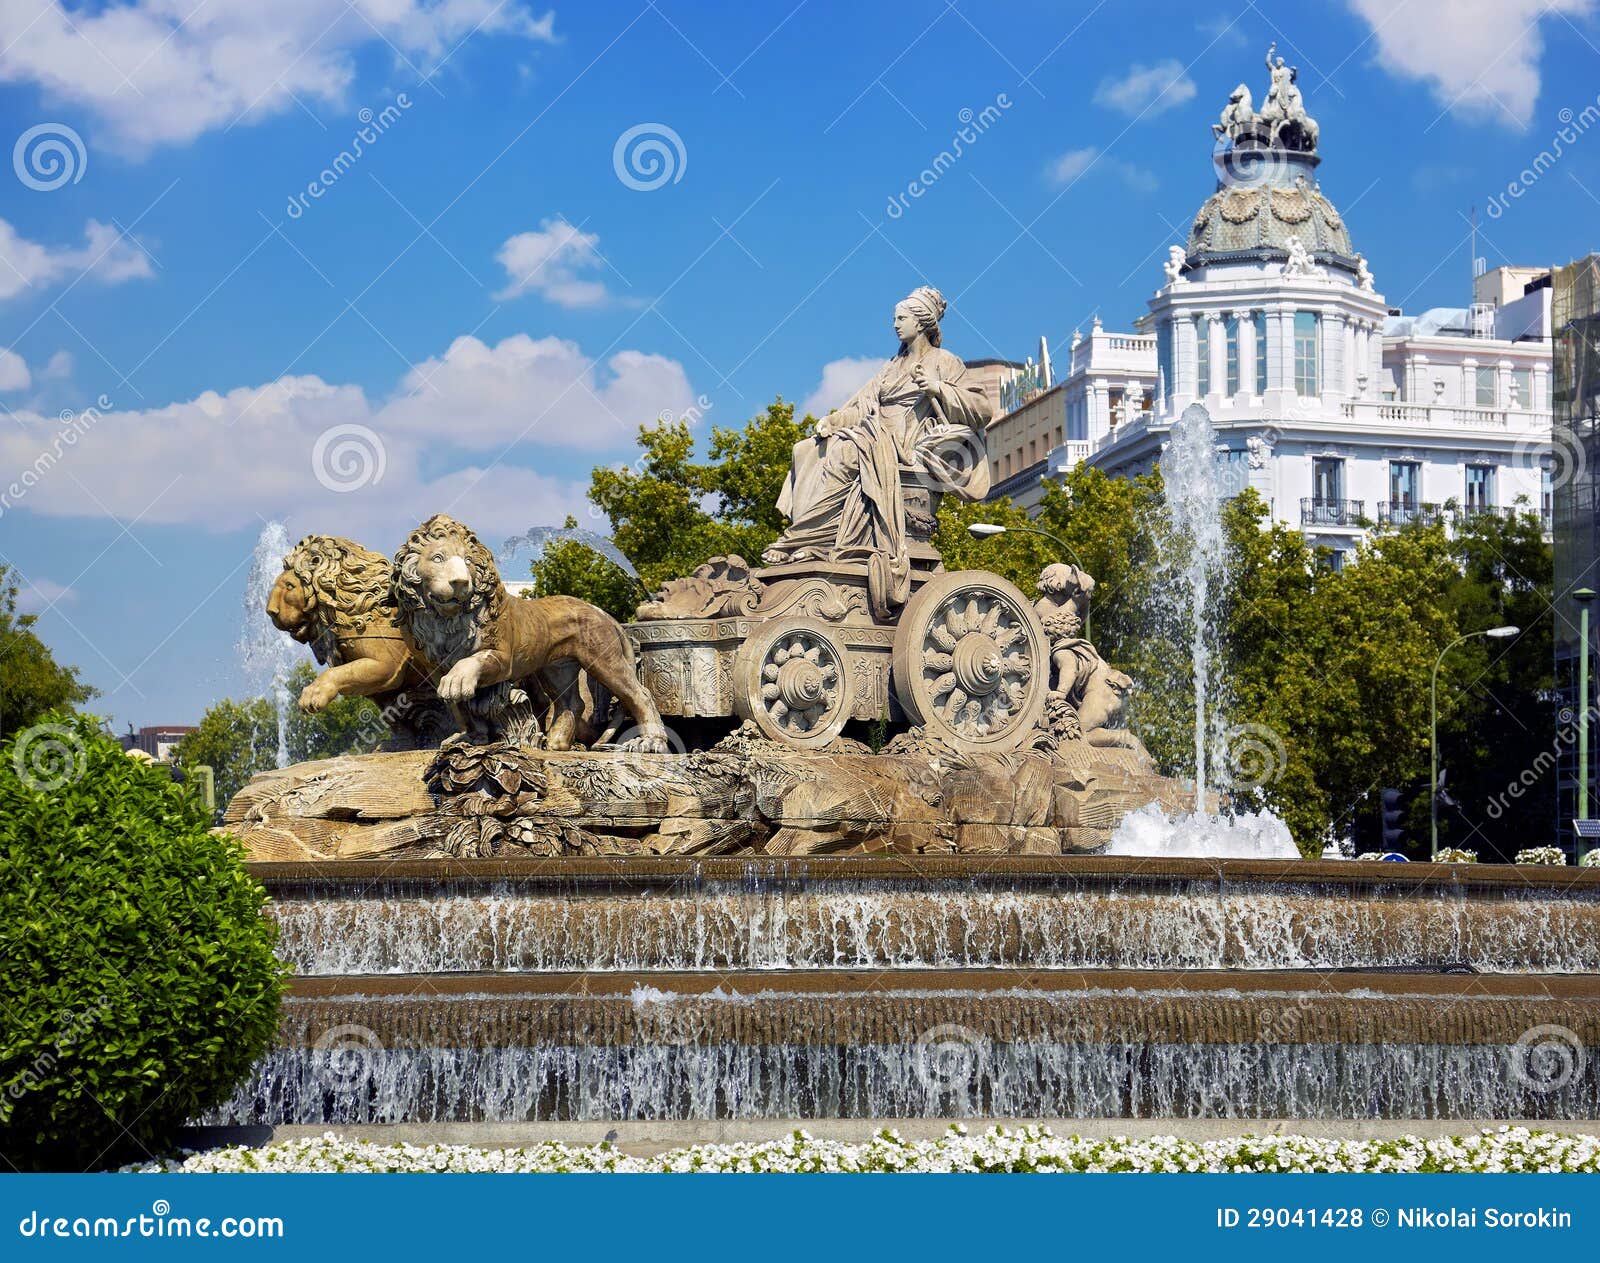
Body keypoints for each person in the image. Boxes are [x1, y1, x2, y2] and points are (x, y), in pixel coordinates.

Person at [762, 286, 993, 612]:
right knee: (807, 449)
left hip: (906, 443)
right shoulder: (891, 366)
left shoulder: (945, 362)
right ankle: (812, 541)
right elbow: (864, 407)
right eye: (895, 319)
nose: (895, 324)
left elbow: (982, 409)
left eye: (902, 318)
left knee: (846, 453)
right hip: (874, 433)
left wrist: (937, 387)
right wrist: (835, 420)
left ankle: (806, 539)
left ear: (921, 322)